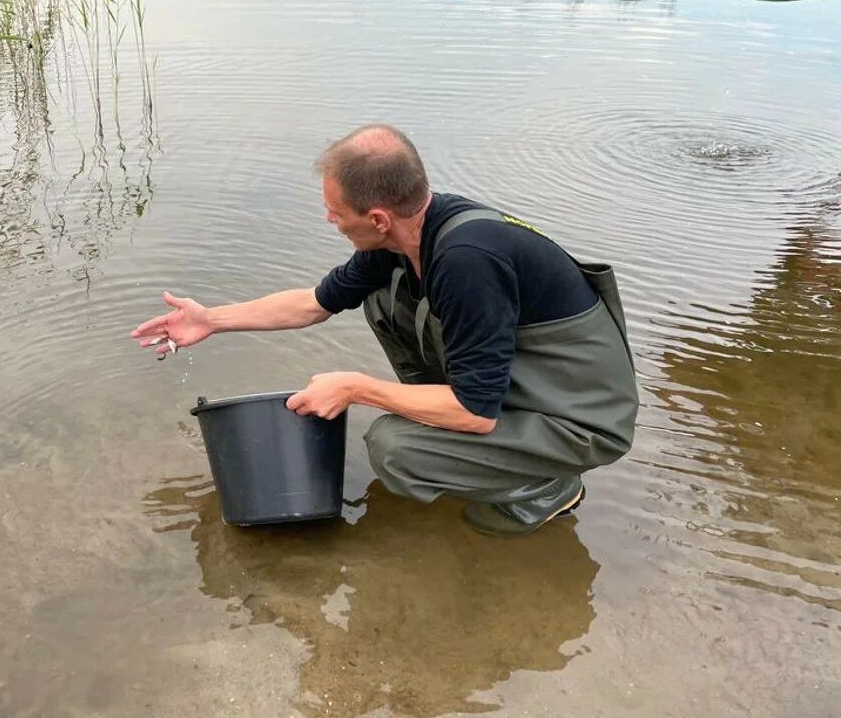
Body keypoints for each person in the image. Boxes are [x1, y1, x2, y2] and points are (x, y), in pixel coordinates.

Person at [132, 125, 639, 537]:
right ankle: (501, 451)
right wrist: (212, 319)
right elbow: (313, 305)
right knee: (382, 295)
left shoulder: (466, 262)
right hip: (526, 387)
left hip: (580, 419)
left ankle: (544, 487)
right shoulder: (406, 236)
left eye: (335, 211)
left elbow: (476, 414)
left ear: (377, 217)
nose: (328, 217)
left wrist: (356, 388)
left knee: (398, 449)